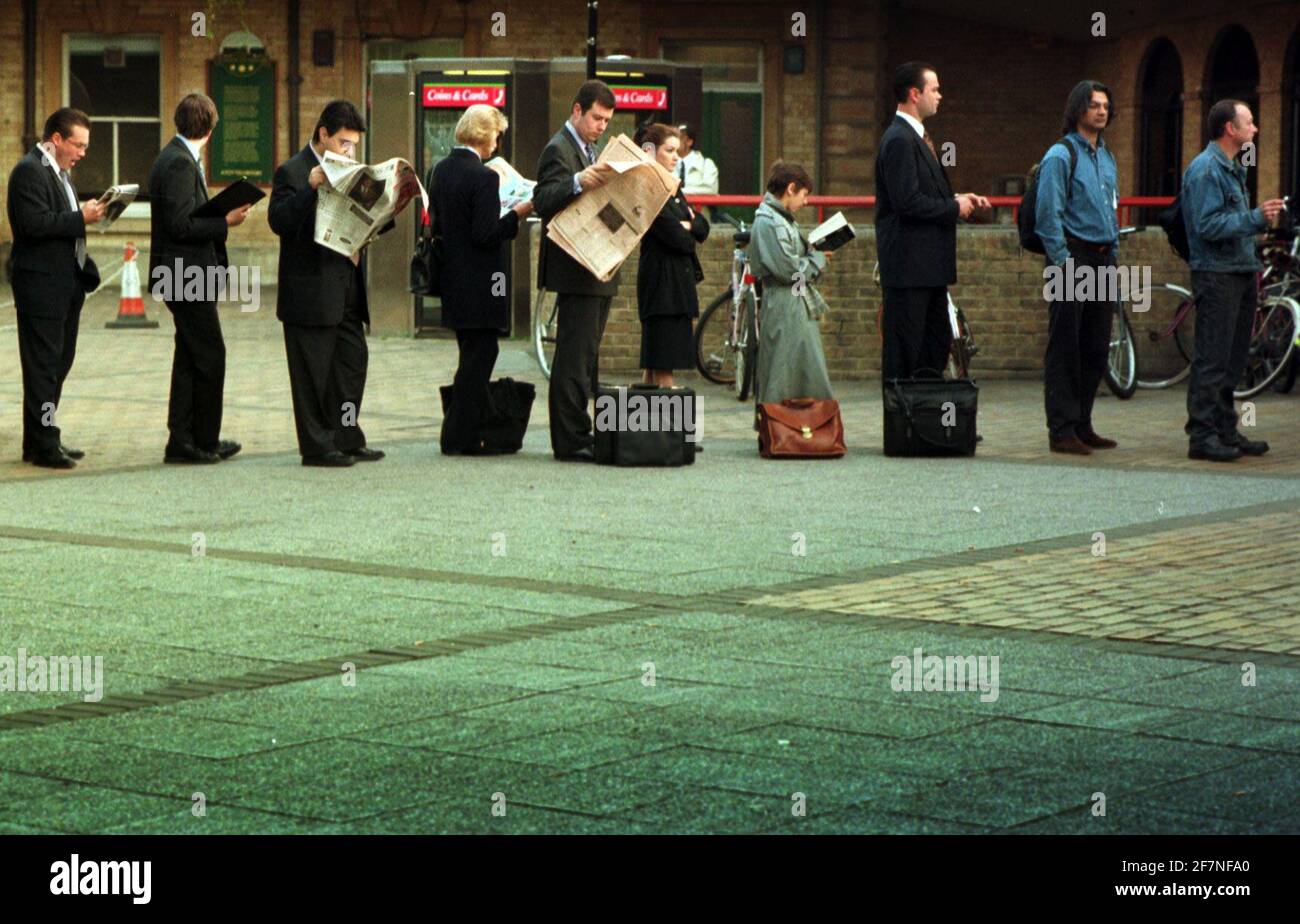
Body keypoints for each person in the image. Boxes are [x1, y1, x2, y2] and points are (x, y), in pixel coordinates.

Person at [268, 100, 401, 467]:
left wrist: (392, 204)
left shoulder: (353, 171)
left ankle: (346, 434)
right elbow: (278, 221)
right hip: (309, 292)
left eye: (354, 145)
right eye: (344, 142)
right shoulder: (292, 171)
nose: (350, 151)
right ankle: (317, 446)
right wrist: (311, 188)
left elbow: (369, 219)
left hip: (346, 288)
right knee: (313, 375)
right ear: (323, 135)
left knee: (351, 365)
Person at [1181, 99, 1286, 462]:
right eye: (1250, 123)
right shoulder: (1206, 170)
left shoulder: (1233, 168)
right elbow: (1207, 226)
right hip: (1217, 275)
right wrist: (1256, 217)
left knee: (1233, 358)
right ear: (1230, 128)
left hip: (1239, 272)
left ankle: (1224, 429)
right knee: (1213, 357)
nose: (1255, 129)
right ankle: (1202, 435)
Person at [147, 92, 250, 465]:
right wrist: (225, 221)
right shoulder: (178, 163)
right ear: (209, 127)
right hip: (183, 273)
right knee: (210, 354)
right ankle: (201, 440)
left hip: (183, 272)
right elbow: (179, 224)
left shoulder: (178, 157)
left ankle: (185, 439)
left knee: (190, 355)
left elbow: (185, 214)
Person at [427, 104, 533, 454]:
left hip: (452, 279)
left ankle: (461, 432)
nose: (497, 144)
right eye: (497, 135)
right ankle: (459, 436)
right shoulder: (485, 177)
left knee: (469, 354)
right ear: (486, 134)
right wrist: (518, 213)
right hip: (482, 283)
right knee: (482, 354)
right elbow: (486, 234)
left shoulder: (440, 171)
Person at [875, 61, 988, 384]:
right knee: (906, 357)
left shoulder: (918, 137)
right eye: (934, 89)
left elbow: (922, 193)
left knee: (934, 348)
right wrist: (954, 207)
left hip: (928, 270)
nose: (940, 95)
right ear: (915, 93)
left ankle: (930, 426)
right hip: (910, 269)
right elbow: (906, 202)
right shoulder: (899, 140)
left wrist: (961, 198)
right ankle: (905, 429)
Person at [6, 107, 104, 469]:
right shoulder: (29, 172)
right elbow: (33, 224)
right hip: (41, 287)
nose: (82, 153)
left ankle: (41, 438)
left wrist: (87, 213)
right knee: (44, 369)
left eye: (85, 147)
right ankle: (45, 442)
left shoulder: (60, 173)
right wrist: (81, 217)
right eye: (77, 145)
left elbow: (60, 220)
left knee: (58, 365)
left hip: (66, 285)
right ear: (56, 140)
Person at [1035, 80, 1122, 455]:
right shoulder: (1060, 155)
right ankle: (1062, 430)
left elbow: (1111, 208)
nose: (1101, 111)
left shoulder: (1107, 157)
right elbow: (1047, 215)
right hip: (1073, 256)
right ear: (1078, 109)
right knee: (1065, 346)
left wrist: (1114, 256)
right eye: (1093, 105)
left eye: (1105, 105)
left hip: (1103, 258)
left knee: (1095, 345)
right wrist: (1063, 263)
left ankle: (1083, 423)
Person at [534, 80, 619, 462]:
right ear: (576, 111)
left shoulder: (589, 149)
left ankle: (580, 431)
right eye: (596, 118)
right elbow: (543, 200)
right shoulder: (559, 149)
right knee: (573, 356)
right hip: (574, 267)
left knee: (586, 355)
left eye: (606, 121)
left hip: (595, 264)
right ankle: (568, 439)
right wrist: (577, 180)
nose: (601, 126)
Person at [750, 161, 833, 405]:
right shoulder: (770, 221)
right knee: (782, 368)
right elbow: (790, 271)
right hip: (785, 300)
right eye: (804, 195)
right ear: (791, 188)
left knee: (801, 366)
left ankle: (801, 425)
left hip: (793, 300)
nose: (805, 202)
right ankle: (782, 425)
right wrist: (816, 259)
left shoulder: (780, 218)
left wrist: (811, 253)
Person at [636, 123, 709, 388]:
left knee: (656, 363)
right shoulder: (649, 189)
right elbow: (679, 239)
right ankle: (665, 427)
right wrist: (687, 227)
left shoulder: (673, 189)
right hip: (662, 287)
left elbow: (703, 227)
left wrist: (689, 225)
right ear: (651, 151)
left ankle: (652, 425)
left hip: (676, 286)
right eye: (669, 150)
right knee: (662, 361)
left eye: (677, 150)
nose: (676, 156)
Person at [675, 123, 719, 196]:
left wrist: (681, 192)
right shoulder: (666, 163)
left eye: (679, 138)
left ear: (689, 142)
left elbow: (711, 189)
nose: (674, 141)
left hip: (698, 207)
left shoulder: (706, 164)